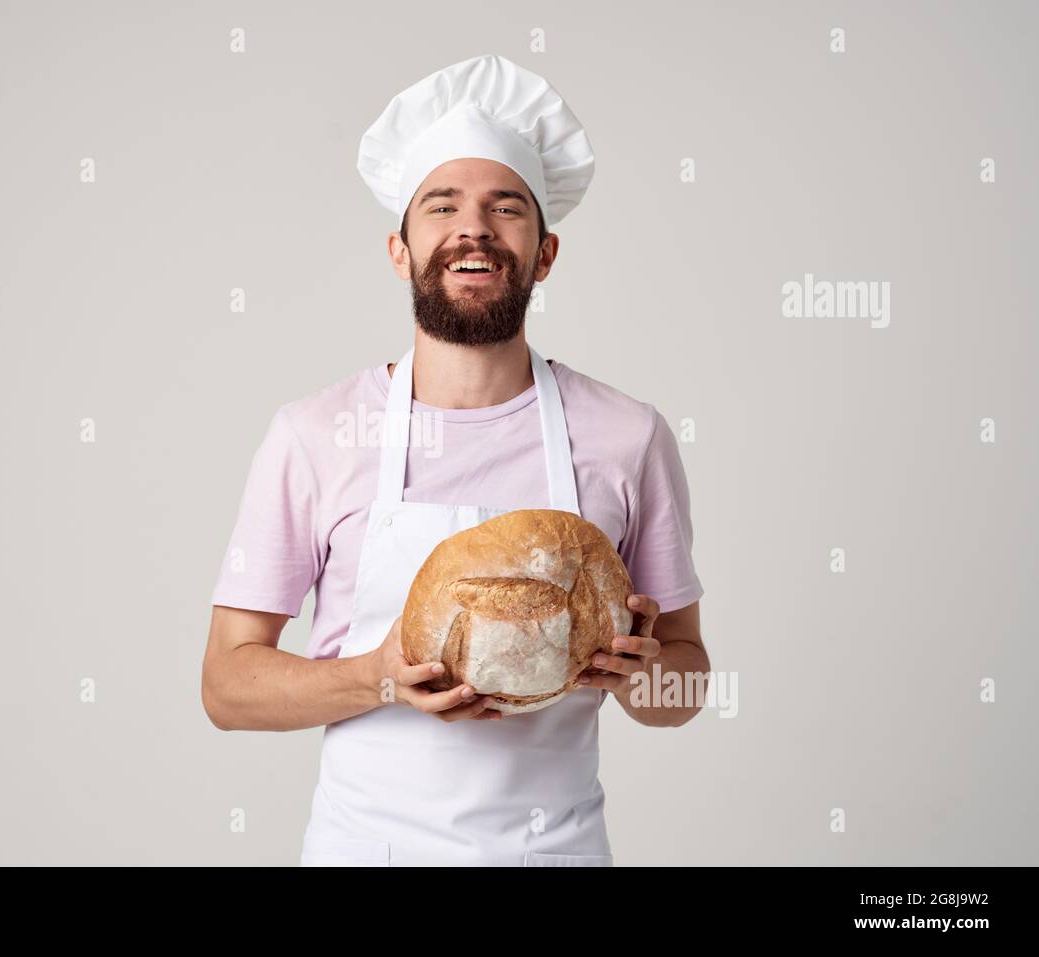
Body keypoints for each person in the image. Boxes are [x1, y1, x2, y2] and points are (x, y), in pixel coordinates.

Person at [202, 54, 708, 867]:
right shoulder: (314, 434)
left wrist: (639, 676)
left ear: (544, 254)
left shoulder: (627, 435)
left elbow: (686, 683)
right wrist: (376, 676)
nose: (472, 228)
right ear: (401, 250)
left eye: (504, 207)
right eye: (442, 205)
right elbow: (225, 686)